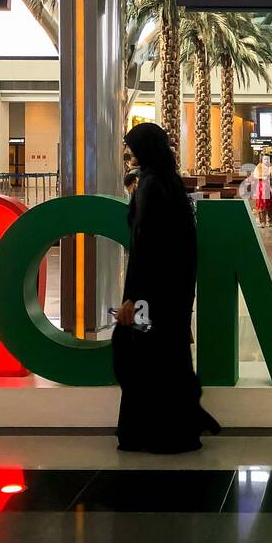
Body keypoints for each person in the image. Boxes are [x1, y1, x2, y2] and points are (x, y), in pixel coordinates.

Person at [112, 122, 219, 453]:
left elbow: (144, 247)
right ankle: (178, 428)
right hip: (172, 291)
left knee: (146, 359)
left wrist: (132, 298)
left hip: (150, 294)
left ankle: (149, 432)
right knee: (168, 359)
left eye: (132, 147)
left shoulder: (150, 186)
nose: (129, 153)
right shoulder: (169, 184)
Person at [251, 151, 272, 227]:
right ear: (262, 159)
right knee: (262, 205)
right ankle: (262, 222)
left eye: (267, 159)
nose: (266, 161)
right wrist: (263, 178)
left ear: (270, 160)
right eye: (264, 159)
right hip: (262, 188)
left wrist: (271, 178)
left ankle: (271, 221)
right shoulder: (258, 167)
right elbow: (255, 176)